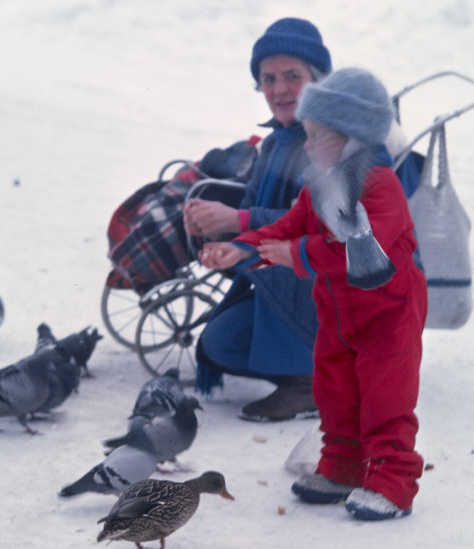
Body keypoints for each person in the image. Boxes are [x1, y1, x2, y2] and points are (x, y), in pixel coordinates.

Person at [199, 67, 427, 520]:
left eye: (317, 136)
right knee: (335, 393)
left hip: (388, 316)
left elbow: (367, 249)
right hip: (339, 317)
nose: (307, 145)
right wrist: (240, 249)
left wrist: (296, 253)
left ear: (352, 138)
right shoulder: (320, 186)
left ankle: (392, 482)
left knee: (385, 400)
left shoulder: (380, 187)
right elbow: (289, 227)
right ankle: (343, 468)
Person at [183, 17, 332, 421]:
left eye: (292, 76)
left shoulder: (330, 140)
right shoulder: (273, 144)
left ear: (317, 79)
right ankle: (308, 368)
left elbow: (321, 222)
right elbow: (249, 209)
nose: (279, 89)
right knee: (218, 345)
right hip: (279, 271)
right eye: (268, 79)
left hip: (328, 279)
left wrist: (238, 219)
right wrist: (218, 229)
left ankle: (312, 382)